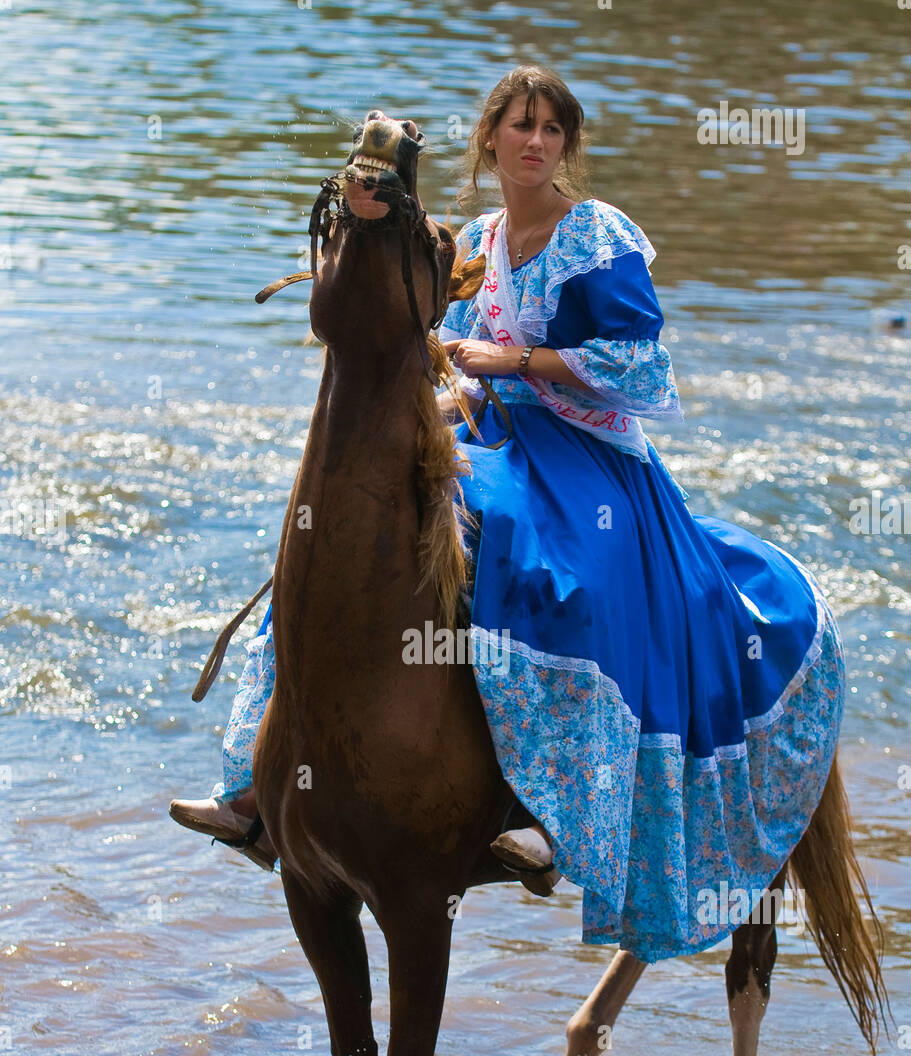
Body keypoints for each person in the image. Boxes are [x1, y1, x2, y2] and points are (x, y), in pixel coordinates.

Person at [171, 66, 844, 963]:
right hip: (487, 431)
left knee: (561, 573)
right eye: (519, 126)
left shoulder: (597, 237)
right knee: (335, 538)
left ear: (565, 144)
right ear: (489, 139)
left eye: (551, 130)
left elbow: (640, 369)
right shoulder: (477, 237)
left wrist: (510, 358)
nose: (534, 143)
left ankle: (537, 814)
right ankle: (257, 785)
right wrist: (439, 382)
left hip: (589, 453)